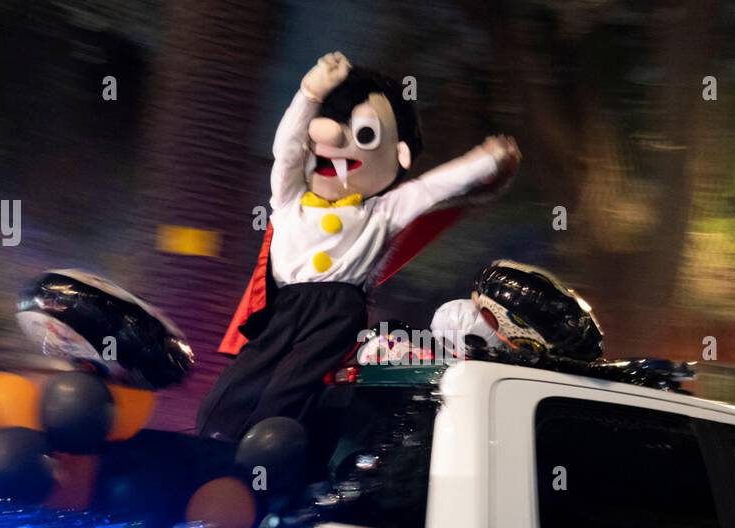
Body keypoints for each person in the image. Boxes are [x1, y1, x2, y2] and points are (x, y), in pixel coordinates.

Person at [198, 52, 520, 441]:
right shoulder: (288, 198)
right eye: (329, 125)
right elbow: (287, 149)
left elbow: (432, 187)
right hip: (285, 305)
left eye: (363, 133)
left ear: (398, 153)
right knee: (243, 377)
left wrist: (484, 162)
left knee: (291, 386)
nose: (332, 139)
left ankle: (266, 453)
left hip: (337, 310)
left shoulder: (381, 211)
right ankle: (216, 443)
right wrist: (308, 94)